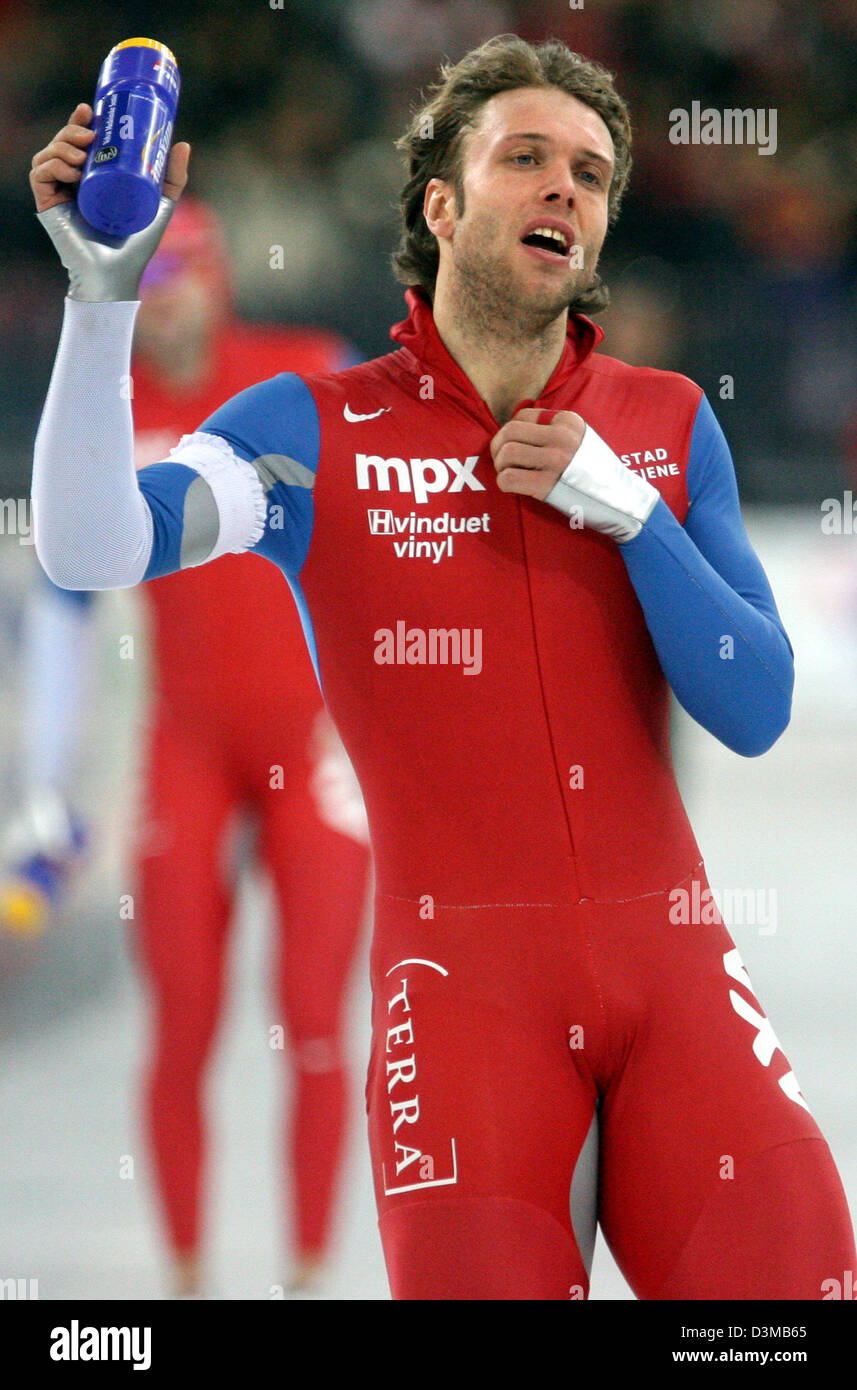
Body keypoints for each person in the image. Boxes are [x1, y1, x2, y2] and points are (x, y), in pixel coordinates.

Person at [29, 34, 855, 1300]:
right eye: (523, 157)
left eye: (587, 170)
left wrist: (629, 514)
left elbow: (753, 706)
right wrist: (100, 299)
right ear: (441, 202)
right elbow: (89, 549)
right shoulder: (311, 424)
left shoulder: (667, 421)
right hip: (463, 1015)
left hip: (681, 991)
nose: (561, 188)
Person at [9, 195, 370, 1297]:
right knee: (183, 1017)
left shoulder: (306, 370)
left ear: (218, 280)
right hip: (187, 749)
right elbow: (62, 606)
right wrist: (42, 796)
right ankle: (186, 1283)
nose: (164, 313)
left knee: (312, 1018)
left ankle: (308, 1276)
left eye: (181, 283)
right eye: (146, 291)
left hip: (311, 748)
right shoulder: (105, 413)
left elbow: (397, 543)